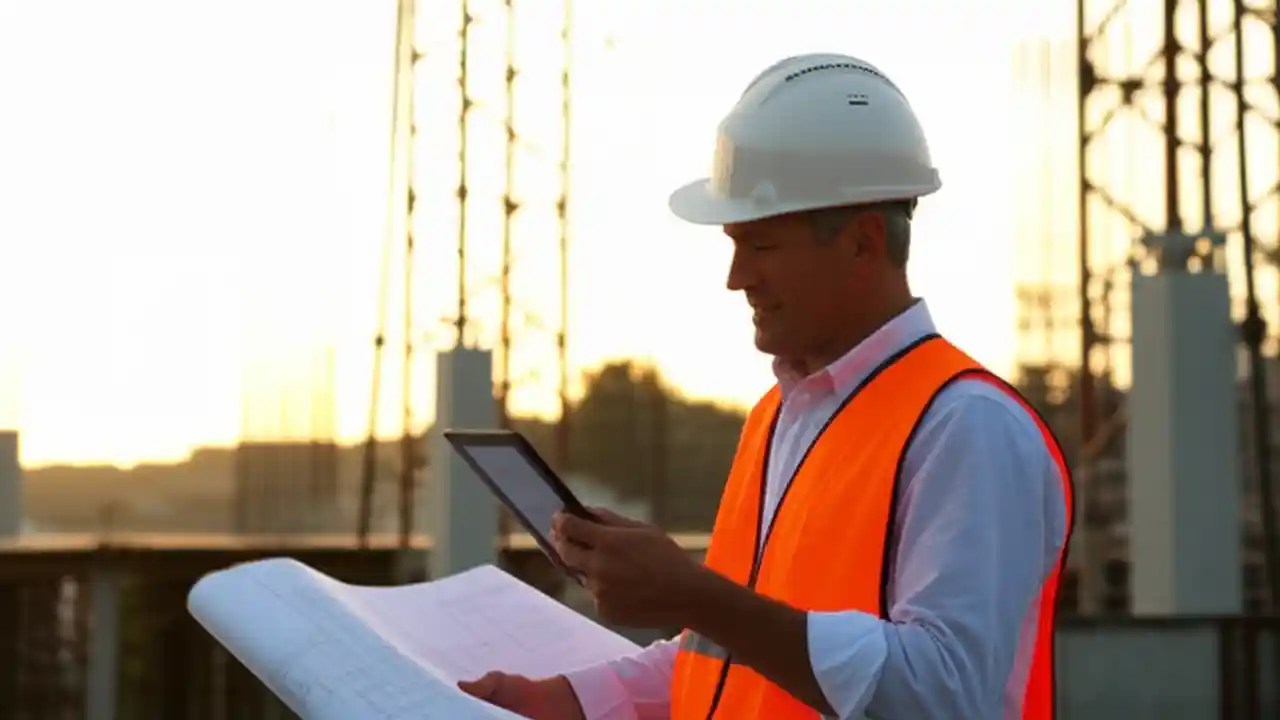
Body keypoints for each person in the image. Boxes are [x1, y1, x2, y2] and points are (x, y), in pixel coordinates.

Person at [459, 52, 1073, 719]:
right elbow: (735, 656)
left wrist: (695, 593)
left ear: (864, 244)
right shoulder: (780, 418)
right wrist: (562, 701)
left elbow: (944, 692)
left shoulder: (966, 426)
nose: (736, 276)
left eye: (762, 245)